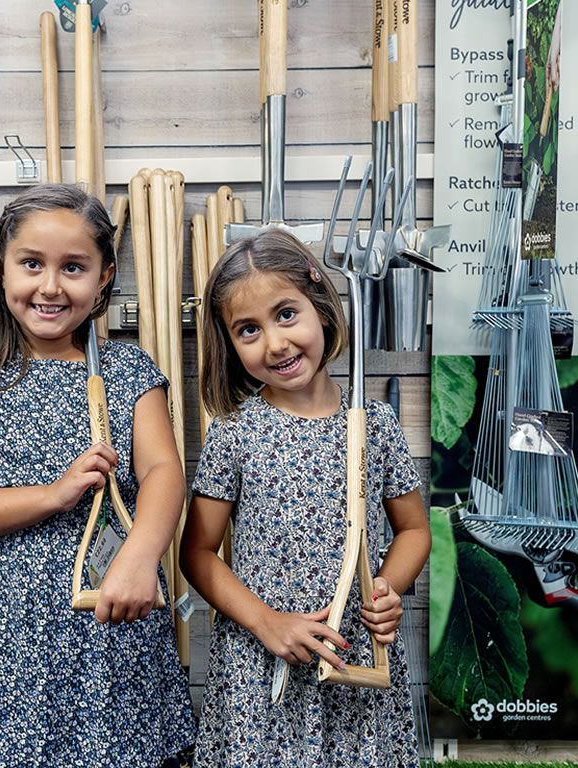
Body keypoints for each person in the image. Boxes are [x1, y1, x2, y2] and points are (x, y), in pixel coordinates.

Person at [0, 183, 195, 767]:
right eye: (32, 264)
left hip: (113, 630)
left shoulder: (128, 371)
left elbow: (164, 473)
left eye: (73, 267)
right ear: (2, 268)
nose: (50, 286)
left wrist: (138, 558)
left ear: (103, 279)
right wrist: (55, 494)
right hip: (14, 646)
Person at [180, 229, 430, 767]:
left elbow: (413, 530)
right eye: (249, 330)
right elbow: (196, 554)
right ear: (230, 343)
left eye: (286, 314)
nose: (275, 343)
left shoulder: (375, 426)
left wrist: (387, 588)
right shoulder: (235, 432)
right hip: (260, 666)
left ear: (319, 306)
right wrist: (267, 622)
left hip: (356, 659)